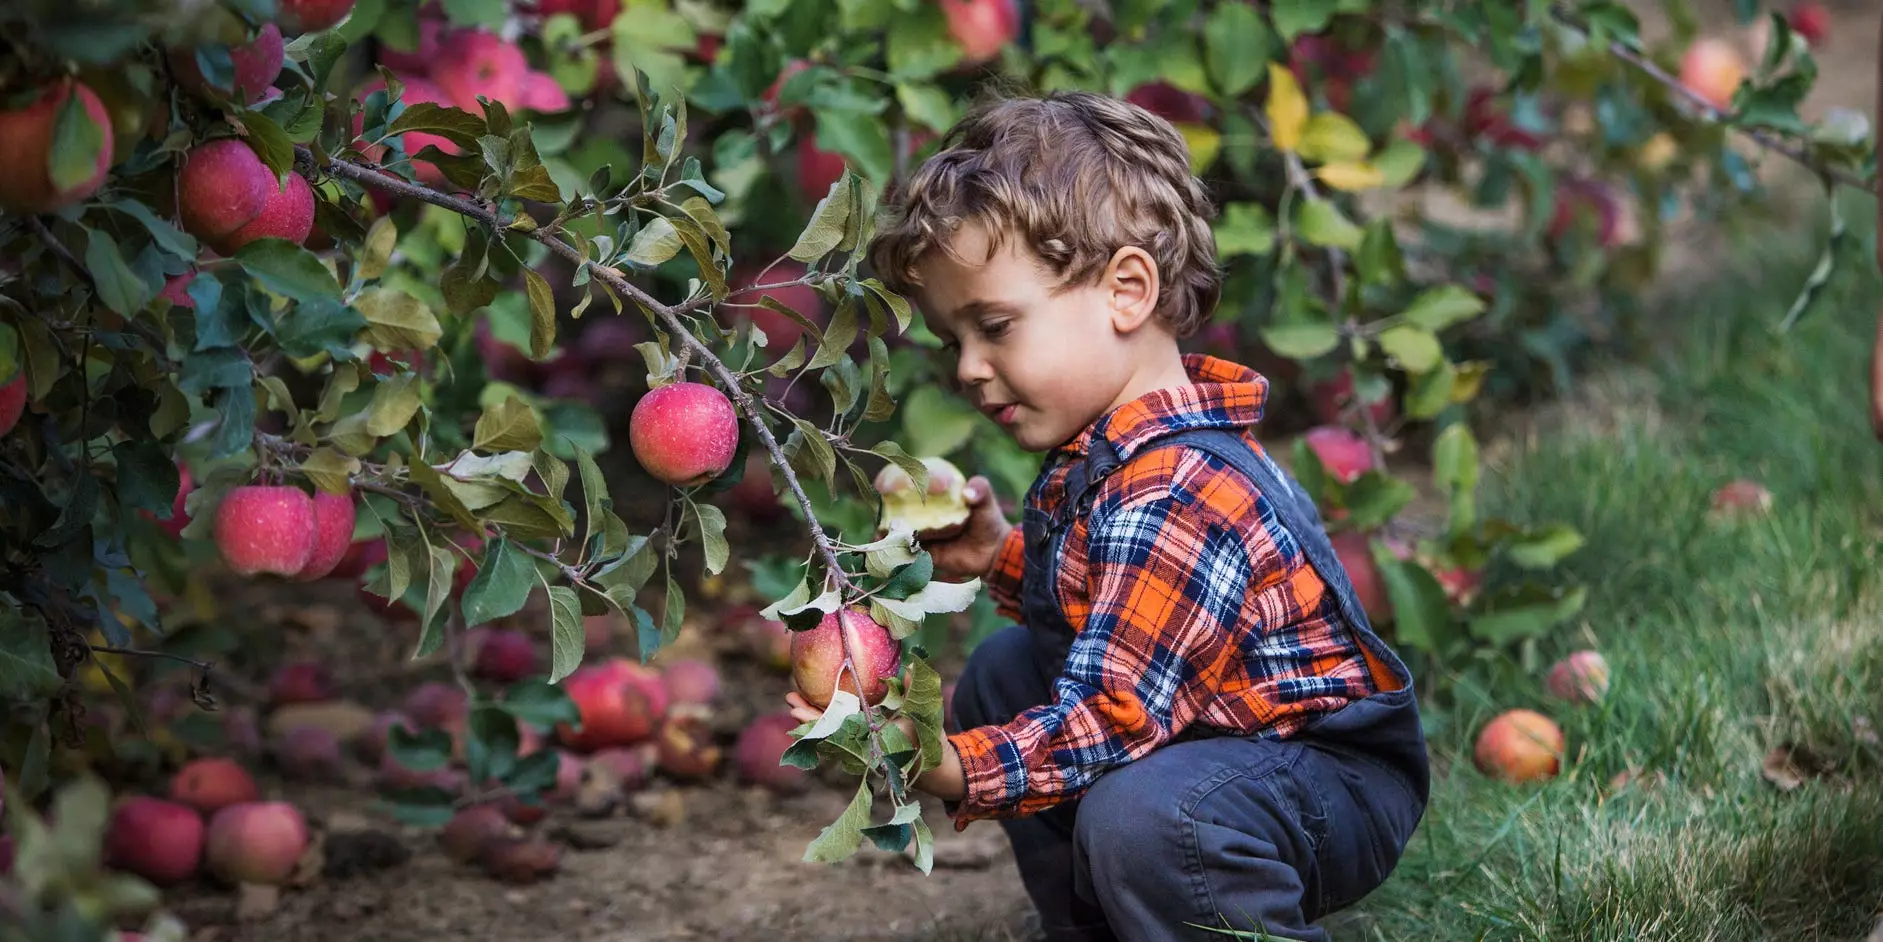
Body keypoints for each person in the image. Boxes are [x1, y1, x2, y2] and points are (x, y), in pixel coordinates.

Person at [782, 90, 1430, 942]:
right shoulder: (1112, 450)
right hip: (1217, 737)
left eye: (995, 326)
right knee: (1005, 675)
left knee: (1149, 817)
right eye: (954, 342)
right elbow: (1120, 609)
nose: (971, 369)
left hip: (1320, 780)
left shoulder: (1177, 491)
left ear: (1126, 289)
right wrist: (998, 556)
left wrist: (946, 766)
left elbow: (1110, 715)